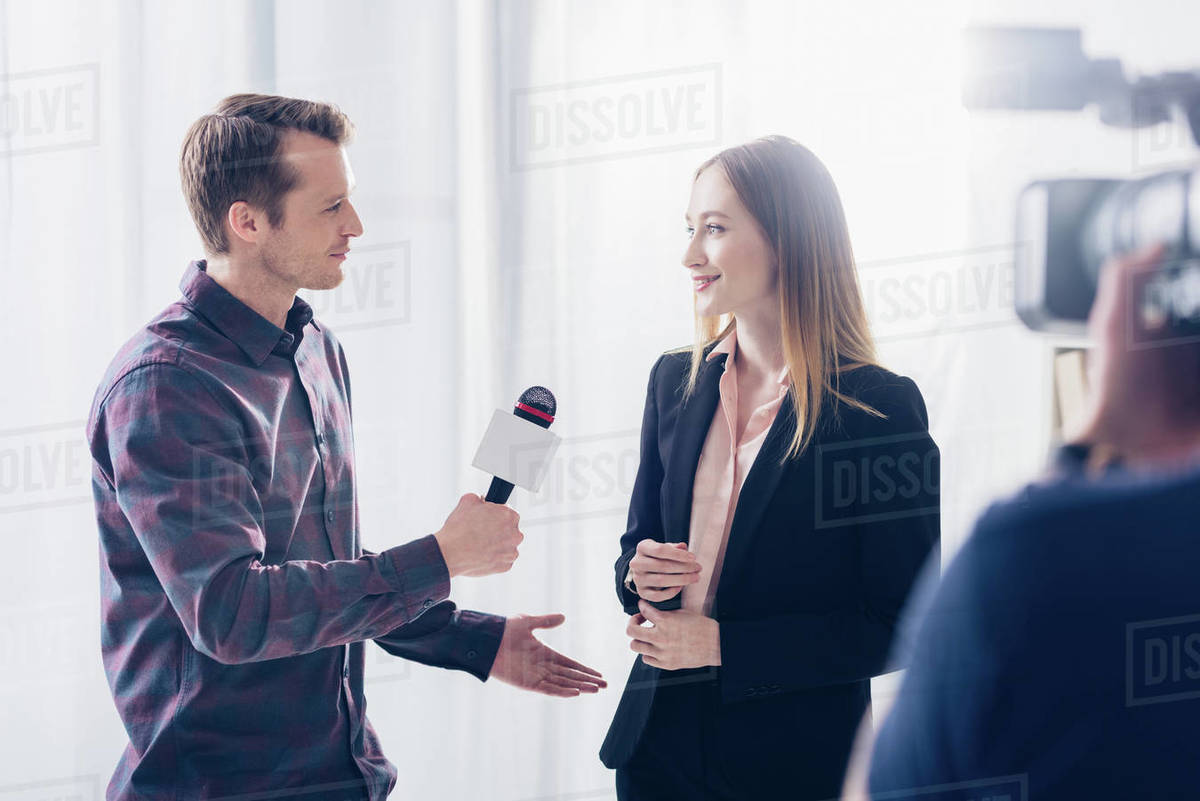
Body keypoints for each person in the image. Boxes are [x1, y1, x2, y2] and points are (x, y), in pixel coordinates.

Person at [85, 94, 604, 801]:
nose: (356, 225)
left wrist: (472, 640)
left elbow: (319, 571)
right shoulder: (166, 386)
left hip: (343, 773)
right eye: (331, 207)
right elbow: (232, 612)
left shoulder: (315, 350)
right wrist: (441, 557)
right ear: (247, 222)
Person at [598, 135, 940, 800]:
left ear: (788, 239)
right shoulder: (673, 381)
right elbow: (634, 549)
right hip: (656, 750)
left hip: (792, 767)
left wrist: (724, 646)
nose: (690, 255)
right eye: (690, 228)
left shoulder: (877, 409)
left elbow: (905, 623)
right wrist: (638, 575)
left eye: (715, 228)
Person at [843, 243, 1200, 799]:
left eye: (716, 227)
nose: (698, 253)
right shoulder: (691, 381)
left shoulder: (1038, 555)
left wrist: (1086, 444)